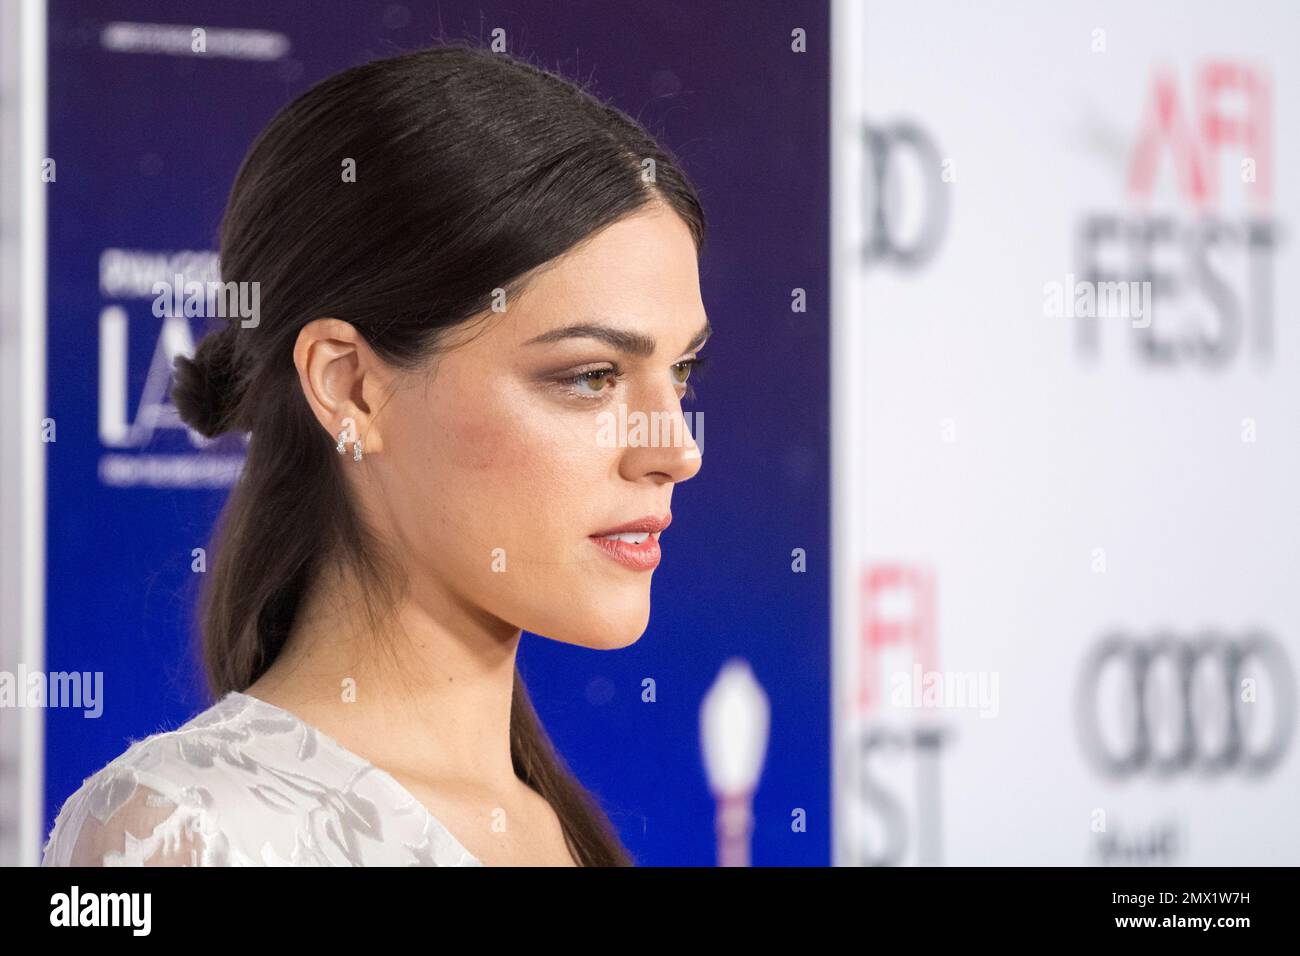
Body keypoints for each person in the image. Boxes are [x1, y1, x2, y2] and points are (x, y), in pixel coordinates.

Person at [41, 42, 709, 867]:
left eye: (681, 371)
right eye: (590, 376)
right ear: (352, 387)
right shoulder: (183, 833)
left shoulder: (555, 827)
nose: (675, 449)